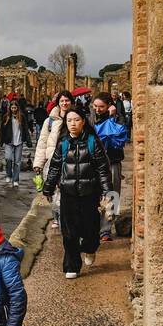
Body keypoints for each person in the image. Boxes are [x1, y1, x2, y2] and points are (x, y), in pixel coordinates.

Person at [42, 107, 113, 279]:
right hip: (68, 193)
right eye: (69, 121)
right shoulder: (63, 143)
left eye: (76, 120)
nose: (73, 124)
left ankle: (89, 248)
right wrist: (48, 187)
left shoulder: (92, 142)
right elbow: (55, 168)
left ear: (83, 122)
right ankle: (71, 265)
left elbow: (103, 169)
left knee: (91, 228)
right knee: (69, 232)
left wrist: (106, 191)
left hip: (90, 193)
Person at [33, 91, 76, 229]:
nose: (64, 103)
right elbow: (42, 142)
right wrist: (38, 163)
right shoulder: (50, 121)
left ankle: (66, 217)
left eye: (67, 100)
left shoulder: (76, 118)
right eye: (62, 101)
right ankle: (56, 216)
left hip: (70, 159)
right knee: (53, 189)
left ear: (71, 102)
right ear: (58, 103)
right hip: (52, 159)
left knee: (67, 188)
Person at [91, 94, 128, 241]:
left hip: (112, 161)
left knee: (112, 194)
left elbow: (120, 136)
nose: (98, 109)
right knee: (94, 194)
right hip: (95, 162)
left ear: (109, 106)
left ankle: (106, 229)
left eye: (101, 107)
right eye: (95, 106)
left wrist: (113, 117)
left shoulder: (118, 118)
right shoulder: (91, 118)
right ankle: (94, 226)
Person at [0, 100, 28, 186]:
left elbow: (25, 129)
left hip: (19, 142)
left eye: (15, 108)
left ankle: (16, 179)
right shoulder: (6, 116)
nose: (13, 109)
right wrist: (0, 141)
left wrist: (28, 140)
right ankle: (9, 175)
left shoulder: (21, 116)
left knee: (17, 162)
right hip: (9, 142)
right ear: (10, 108)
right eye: (12, 108)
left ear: (17, 108)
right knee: (8, 159)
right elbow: (2, 130)